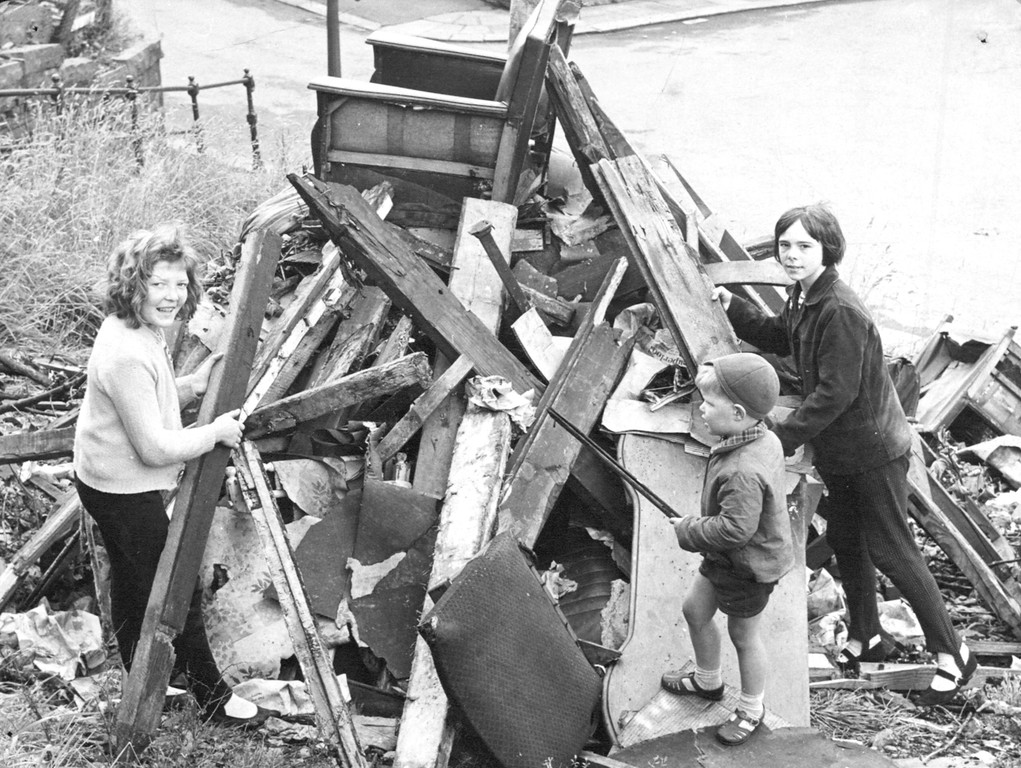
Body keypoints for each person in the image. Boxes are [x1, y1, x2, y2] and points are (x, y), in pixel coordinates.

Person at [714, 203, 974, 706]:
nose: (792, 255)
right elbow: (779, 336)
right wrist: (731, 304)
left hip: (872, 450)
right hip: (842, 450)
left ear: (827, 250)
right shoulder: (806, 296)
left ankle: (954, 656)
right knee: (849, 541)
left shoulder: (840, 310)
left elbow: (836, 393)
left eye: (804, 246)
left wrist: (780, 439)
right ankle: (867, 638)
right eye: (785, 245)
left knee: (893, 549)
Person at [73, 223, 268, 726]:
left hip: (104, 475)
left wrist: (190, 385)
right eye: (159, 283)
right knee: (174, 581)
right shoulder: (125, 353)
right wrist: (216, 432)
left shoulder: (137, 329)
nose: (172, 295)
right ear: (134, 285)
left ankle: (145, 672)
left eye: (180, 284)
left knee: (136, 581)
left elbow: (150, 399)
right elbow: (156, 447)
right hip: (120, 489)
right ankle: (211, 698)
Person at [660, 352, 794, 747]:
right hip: (727, 558)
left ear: (737, 412)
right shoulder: (761, 434)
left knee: (743, 635)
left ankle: (752, 709)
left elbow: (735, 529)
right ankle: (708, 681)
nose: (700, 409)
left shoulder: (742, 470)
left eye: (708, 403)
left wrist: (689, 529)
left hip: (748, 567)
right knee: (695, 610)